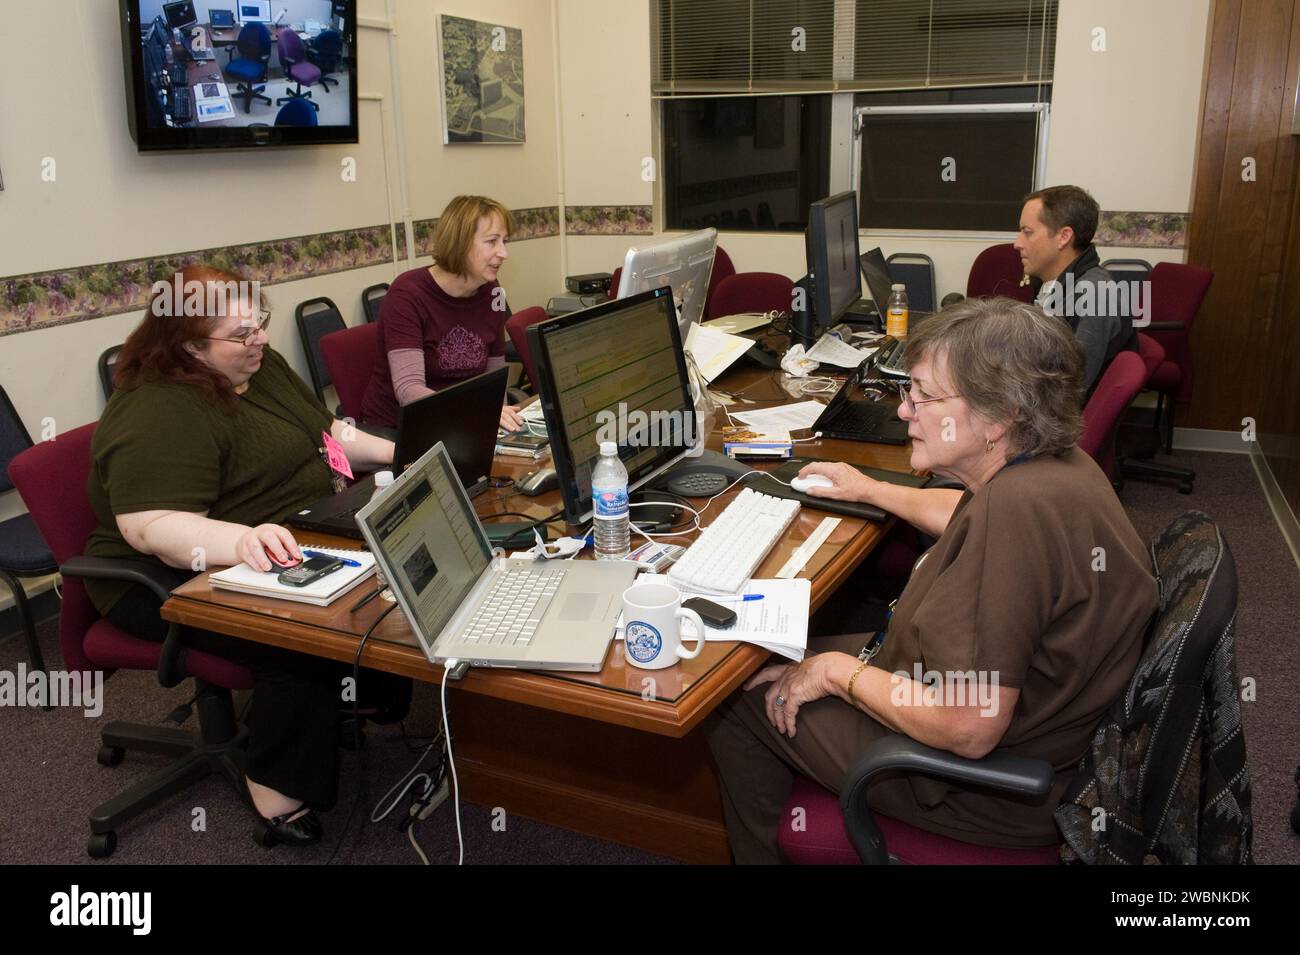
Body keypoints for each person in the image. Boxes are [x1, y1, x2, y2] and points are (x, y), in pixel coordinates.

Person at [708, 297, 1159, 863]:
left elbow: (969, 727)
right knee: (772, 655)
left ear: (998, 416)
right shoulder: (1054, 467)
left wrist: (837, 673)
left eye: (923, 395)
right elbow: (969, 520)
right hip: (1024, 730)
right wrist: (872, 490)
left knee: (733, 693)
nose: (904, 412)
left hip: (973, 783)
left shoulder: (1014, 514)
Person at [85, 266, 407, 847]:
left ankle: (354, 703)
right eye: (240, 333)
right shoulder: (159, 407)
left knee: (387, 584)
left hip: (283, 535)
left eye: (259, 321)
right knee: (302, 638)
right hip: (161, 577)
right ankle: (275, 788)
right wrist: (239, 542)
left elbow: (328, 432)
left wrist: (401, 453)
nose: (259, 337)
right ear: (188, 345)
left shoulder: (257, 367)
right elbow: (147, 526)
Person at [361, 195, 524, 432]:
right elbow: (409, 391)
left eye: (504, 242)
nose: (503, 253)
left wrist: (501, 429)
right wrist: (479, 411)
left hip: (465, 424)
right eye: (491, 242)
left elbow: (494, 377)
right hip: (403, 430)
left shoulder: (492, 293)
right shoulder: (407, 295)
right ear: (460, 243)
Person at [1013, 184, 1137, 392]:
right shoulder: (1047, 283)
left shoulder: (1095, 295)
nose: (1017, 243)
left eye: (1027, 232)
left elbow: (1070, 391)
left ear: (1063, 237)